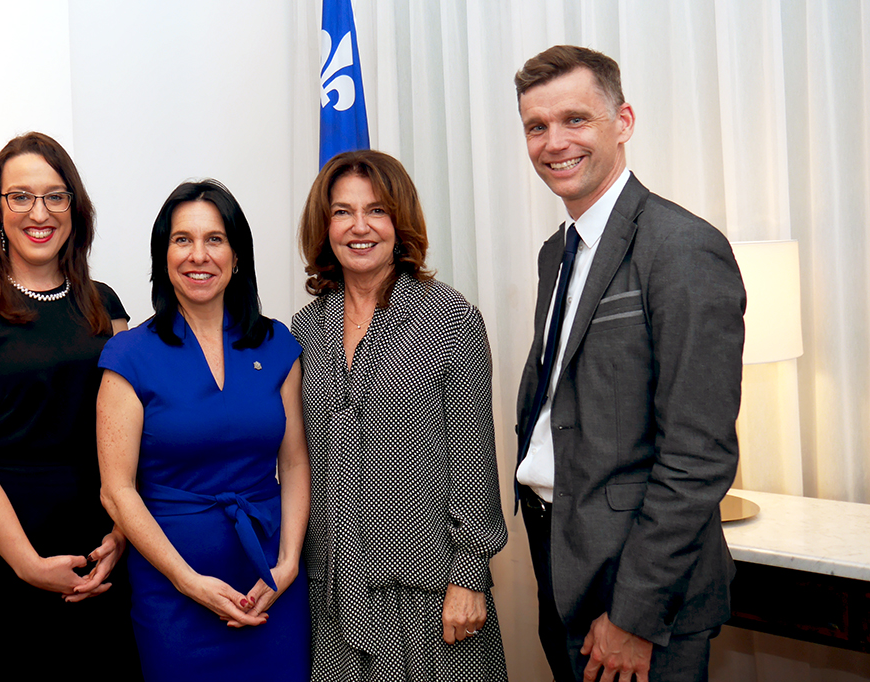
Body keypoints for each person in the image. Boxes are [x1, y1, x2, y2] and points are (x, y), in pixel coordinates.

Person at [512, 45, 746, 682]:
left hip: (639, 591)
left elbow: (697, 457)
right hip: (562, 558)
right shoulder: (554, 253)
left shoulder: (683, 248)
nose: (554, 142)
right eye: (537, 126)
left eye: (575, 120)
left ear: (625, 121)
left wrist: (634, 615)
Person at [292, 149, 509, 682]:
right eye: (342, 212)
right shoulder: (302, 330)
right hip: (334, 595)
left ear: (401, 221)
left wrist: (470, 575)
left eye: (377, 211)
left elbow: (472, 460)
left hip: (430, 596)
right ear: (324, 227)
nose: (359, 227)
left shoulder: (450, 320)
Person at [0, 132, 139, 677]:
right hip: (6, 553)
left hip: (104, 546)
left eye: (55, 195)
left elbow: (134, 431)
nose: (38, 212)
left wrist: (124, 535)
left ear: (75, 206)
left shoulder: (107, 304)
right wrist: (27, 563)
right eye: (20, 196)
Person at [97, 180, 310, 682]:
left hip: (271, 580)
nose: (199, 255)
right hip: (173, 592)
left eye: (215, 239)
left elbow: (296, 462)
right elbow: (116, 490)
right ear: (162, 254)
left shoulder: (277, 342)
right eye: (182, 240)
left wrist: (288, 564)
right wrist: (189, 581)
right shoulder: (128, 356)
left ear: (237, 255)